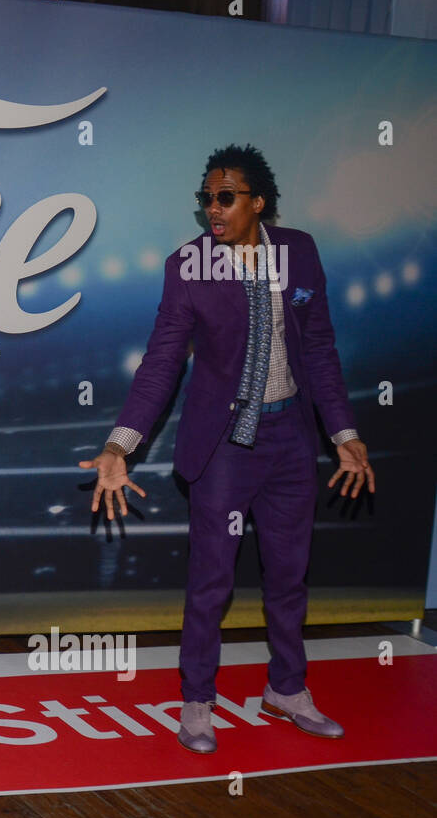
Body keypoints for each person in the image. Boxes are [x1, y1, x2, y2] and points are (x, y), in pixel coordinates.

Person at [79, 144, 375, 754]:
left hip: (291, 440)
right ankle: (197, 703)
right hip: (224, 448)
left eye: (226, 197)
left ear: (258, 202)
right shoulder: (187, 267)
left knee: (289, 576)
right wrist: (120, 444)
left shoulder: (300, 252)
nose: (213, 209)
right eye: (206, 198)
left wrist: (344, 435)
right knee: (211, 580)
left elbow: (319, 347)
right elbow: (162, 362)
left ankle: (287, 690)